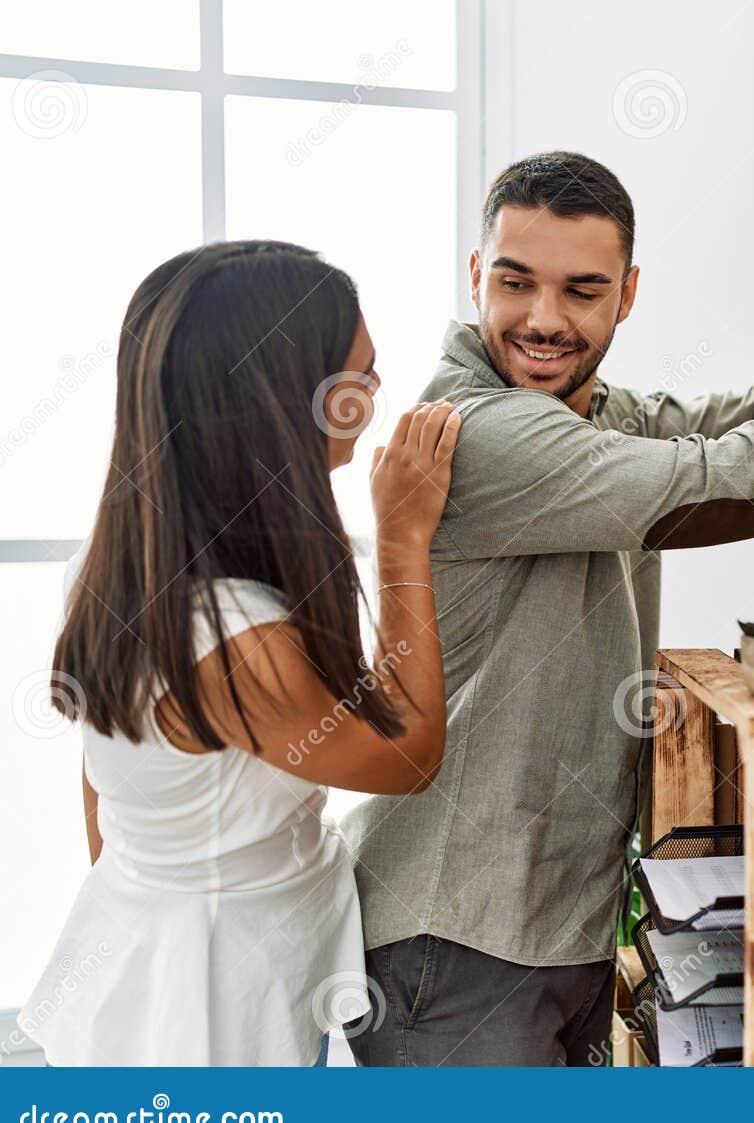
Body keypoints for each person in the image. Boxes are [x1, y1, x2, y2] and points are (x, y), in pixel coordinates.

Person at [342, 151, 754, 1066]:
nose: (545, 319)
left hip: (544, 922)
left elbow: (731, 420)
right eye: (516, 282)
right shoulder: (481, 431)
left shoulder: (585, 413)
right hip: (457, 939)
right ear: (476, 275)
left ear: (628, 294)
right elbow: (725, 483)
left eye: (583, 290)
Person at [20, 240, 460, 1065]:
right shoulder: (236, 640)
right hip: (205, 1003)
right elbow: (408, 753)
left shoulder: (127, 557)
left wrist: (152, 894)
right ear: (279, 404)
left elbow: (99, 778)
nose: (374, 395)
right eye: (358, 377)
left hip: (159, 944)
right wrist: (403, 536)